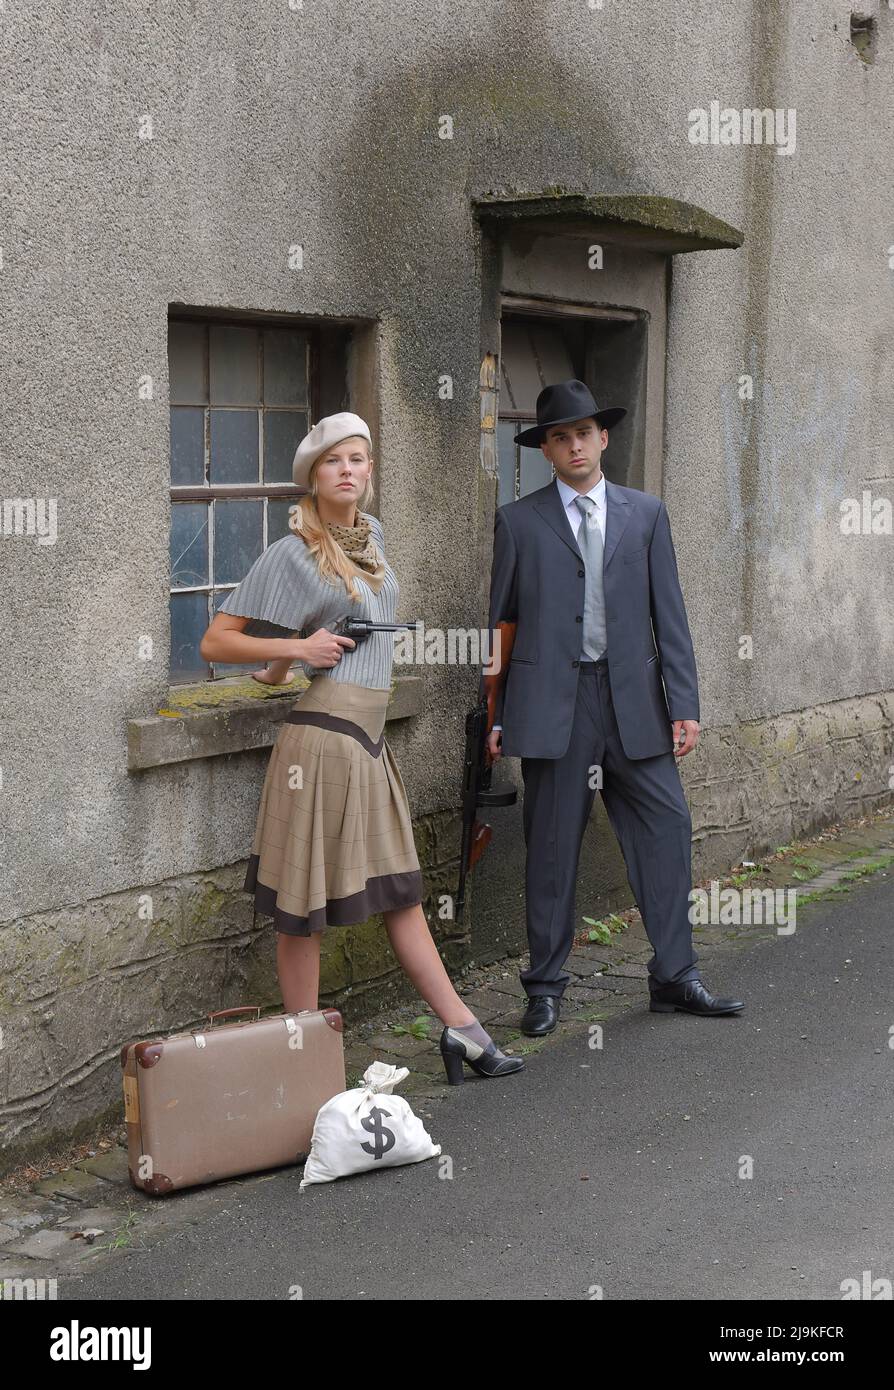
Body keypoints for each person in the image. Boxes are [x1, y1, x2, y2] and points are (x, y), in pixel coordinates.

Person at [200, 412, 523, 1085]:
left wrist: (283, 665)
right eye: (334, 461)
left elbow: (304, 645)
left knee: (400, 894)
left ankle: (463, 1031)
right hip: (321, 746)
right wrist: (295, 649)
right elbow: (217, 641)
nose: (349, 470)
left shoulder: (371, 538)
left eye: (359, 459)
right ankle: (307, 1068)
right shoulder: (291, 551)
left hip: (368, 743)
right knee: (304, 913)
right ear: (312, 477)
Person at [485, 379, 744, 1035]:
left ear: (603, 437)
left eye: (584, 433)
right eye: (559, 437)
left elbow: (671, 616)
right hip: (553, 708)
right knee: (550, 852)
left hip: (634, 704)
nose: (574, 445)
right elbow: (501, 628)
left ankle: (675, 976)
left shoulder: (646, 515)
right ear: (546, 449)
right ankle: (544, 987)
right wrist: (496, 714)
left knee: (667, 832)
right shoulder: (519, 522)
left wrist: (683, 703)